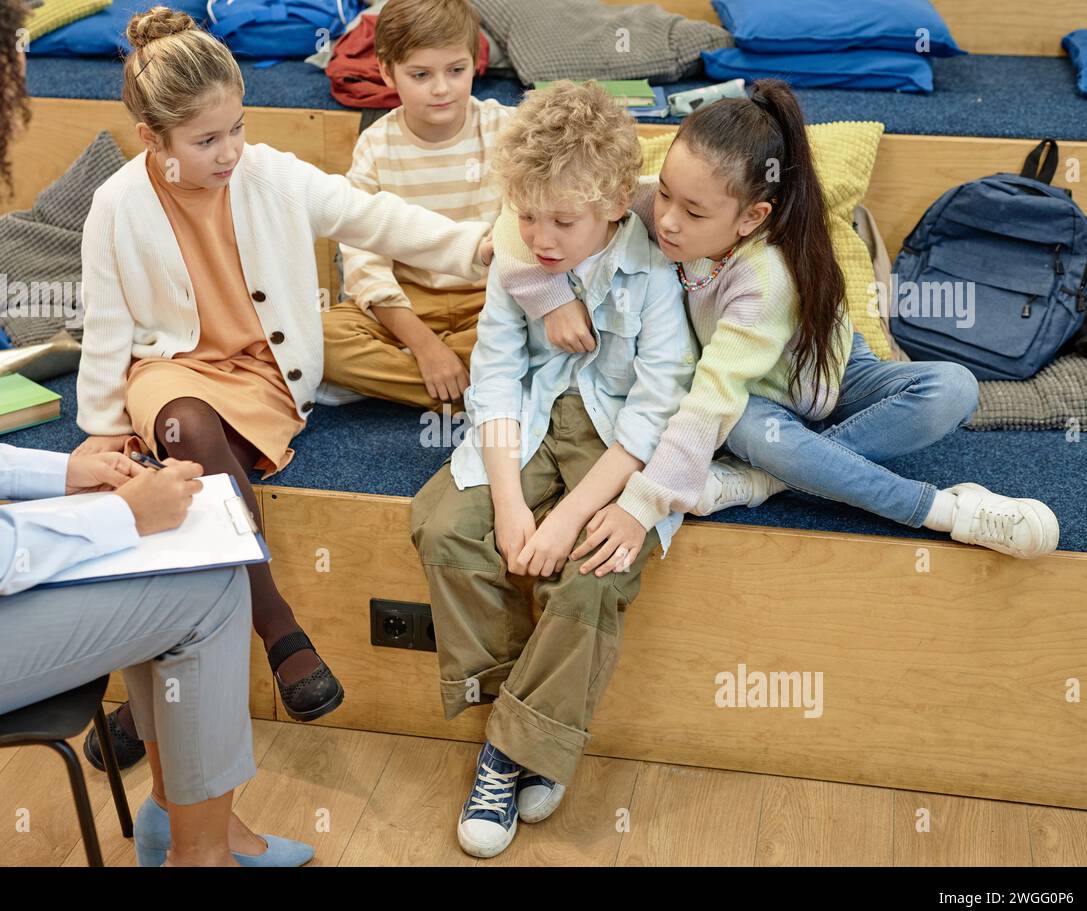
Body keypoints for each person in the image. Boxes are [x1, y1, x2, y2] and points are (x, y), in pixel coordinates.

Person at [0, 0, 311, 866]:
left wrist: (68, 478)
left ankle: (193, 824)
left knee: (173, 544)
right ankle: (201, 850)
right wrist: (126, 521)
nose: (7, 123)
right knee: (205, 585)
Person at [70, 6, 495, 762]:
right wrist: (101, 430)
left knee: (190, 479)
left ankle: (151, 707)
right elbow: (106, 325)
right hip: (172, 374)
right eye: (206, 141)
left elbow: (379, 221)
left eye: (237, 127)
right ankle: (281, 631)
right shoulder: (115, 204)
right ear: (152, 141)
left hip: (265, 374)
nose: (231, 151)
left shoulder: (272, 175)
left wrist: (478, 249)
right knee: (186, 430)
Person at [495, 79, 1059, 564]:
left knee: (953, 388)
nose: (666, 220)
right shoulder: (655, 208)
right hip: (754, 402)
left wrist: (642, 504)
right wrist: (550, 296)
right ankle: (934, 507)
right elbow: (508, 219)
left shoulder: (765, 277)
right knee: (746, 427)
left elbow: (709, 397)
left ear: (751, 218)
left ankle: (772, 483)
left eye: (693, 212)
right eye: (663, 193)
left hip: (832, 371)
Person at [409, 82, 696, 858]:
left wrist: (566, 519)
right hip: (529, 422)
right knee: (444, 528)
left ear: (611, 205)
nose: (538, 236)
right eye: (526, 214)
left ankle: (507, 756)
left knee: (595, 566)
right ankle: (531, 725)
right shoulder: (521, 249)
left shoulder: (658, 271)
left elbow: (651, 418)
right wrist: (509, 505)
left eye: (561, 221)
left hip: (617, 448)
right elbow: (496, 379)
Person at [320, 0, 513, 410]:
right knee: (318, 341)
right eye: (421, 75)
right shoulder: (375, 146)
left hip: (489, 301)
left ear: (475, 61)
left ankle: (420, 379)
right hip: (405, 306)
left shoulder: (506, 130)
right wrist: (426, 347)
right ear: (387, 70)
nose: (442, 88)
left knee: (541, 334)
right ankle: (468, 384)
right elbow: (364, 263)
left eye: (456, 71)